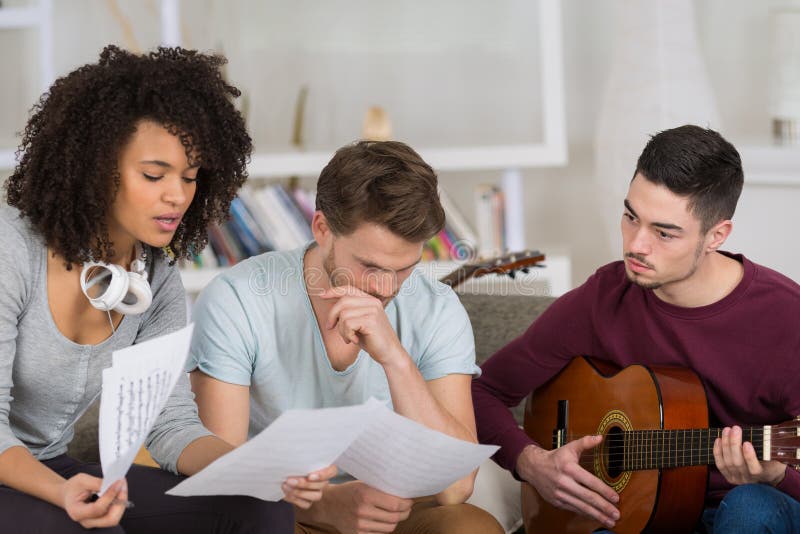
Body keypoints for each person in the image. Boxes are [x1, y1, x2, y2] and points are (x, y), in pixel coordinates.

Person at [0, 44, 334, 533]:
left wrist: (263, 468)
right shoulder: (12, 250)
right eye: (154, 174)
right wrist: (59, 491)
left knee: (258, 506)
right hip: (27, 477)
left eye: (191, 177)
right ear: (96, 167)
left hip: (54, 471)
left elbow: (172, 426)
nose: (177, 195)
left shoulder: (155, 277)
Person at [472, 125, 800, 533]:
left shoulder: (787, 319)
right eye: (630, 217)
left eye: (664, 233)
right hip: (636, 514)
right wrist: (530, 462)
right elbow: (481, 389)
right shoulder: (605, 297)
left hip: (743, 514)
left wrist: (776, 476)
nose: (636, 245)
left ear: (717, 235)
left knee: (751, 508)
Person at [187, 140, 504, 534]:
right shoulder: (237, 298)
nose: (386, 287)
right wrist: (325, 506)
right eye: (369, 265)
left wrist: (395, 359)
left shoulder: (438, 308)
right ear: (322, 229)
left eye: (405, 268)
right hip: (281, 511)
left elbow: (456, 487)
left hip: (395, 515)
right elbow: (222, 476)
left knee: (471, 529)